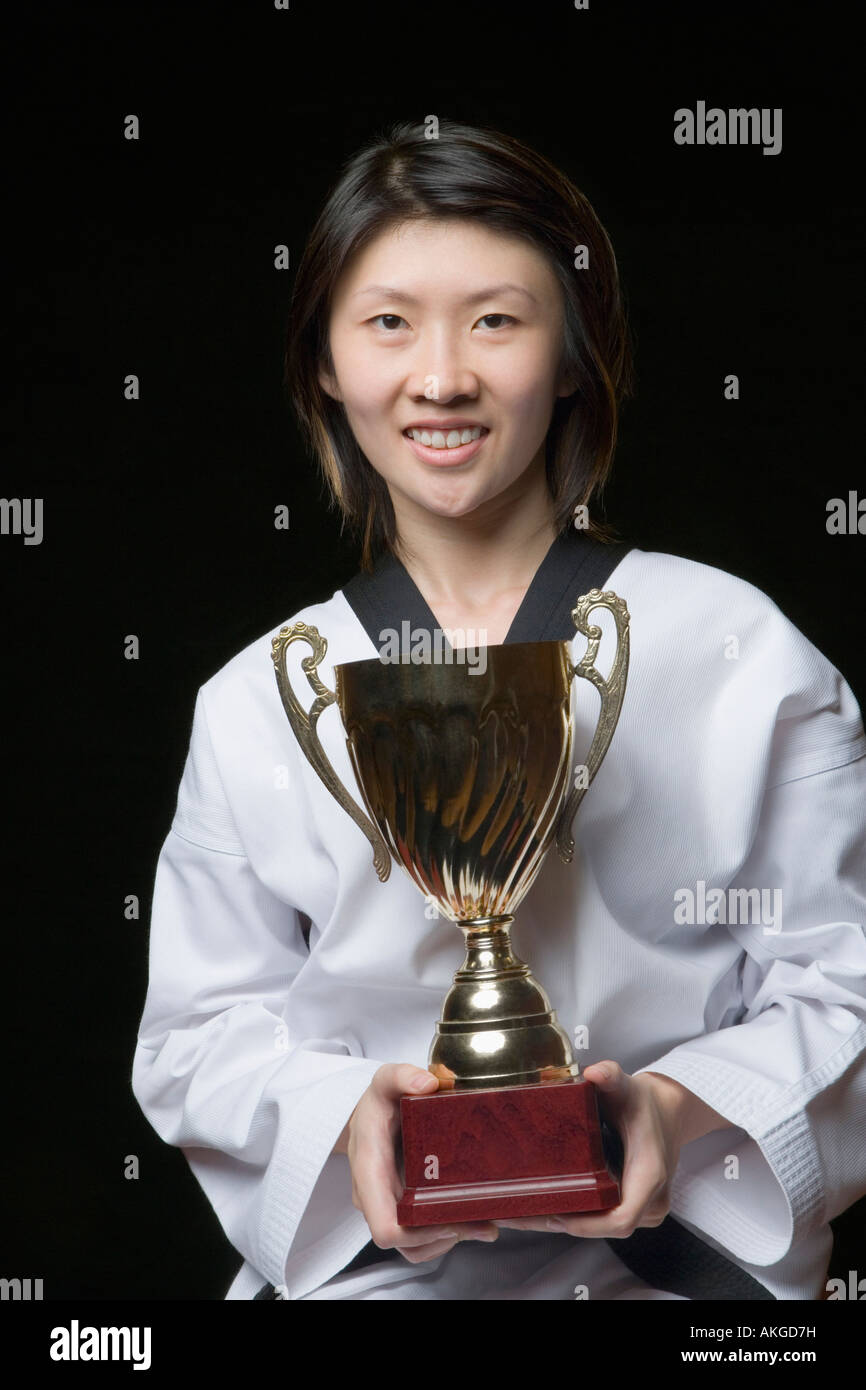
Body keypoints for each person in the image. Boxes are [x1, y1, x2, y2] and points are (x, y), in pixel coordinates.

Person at [131, 120, 866, 1301]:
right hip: (375, 1284)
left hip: (682, 1281)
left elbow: (847, 981)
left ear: (574, 357)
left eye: (495, 320)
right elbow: (194, 1038)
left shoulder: (737, 651)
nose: (440, 376)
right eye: (387, 322)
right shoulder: (260, 696)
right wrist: (348, 1122)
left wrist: (673, 1115)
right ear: (323, 359)